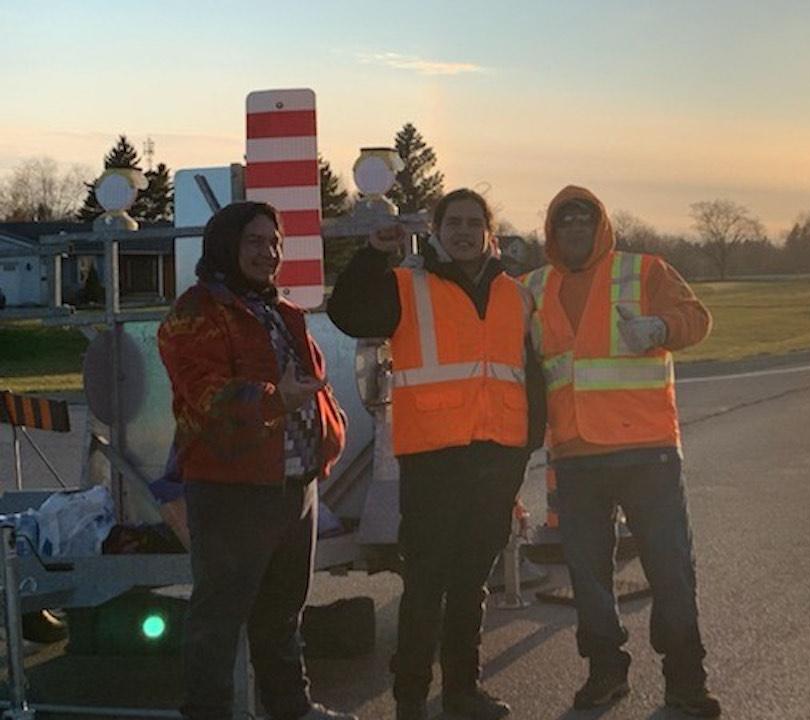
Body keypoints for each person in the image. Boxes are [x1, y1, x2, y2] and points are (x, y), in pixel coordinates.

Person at [327, 189, 544, 720]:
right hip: (433, 461)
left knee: (471, 584)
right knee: (425, 583)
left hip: (497, 459)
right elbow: (348, 313)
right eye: (454, 223)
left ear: (489, 233)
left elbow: (530, 374)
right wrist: (373, 255)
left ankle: (463, 692)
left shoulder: (516, 296)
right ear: (437, 231)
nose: (464, 232)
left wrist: (527, 442)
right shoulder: (407, 285)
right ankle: (410, 697)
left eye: (474, 223)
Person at [523, 185, 720, 717]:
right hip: (576, 455)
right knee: (588, 577)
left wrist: (661, 327)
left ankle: (686, 679)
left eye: (584, 220)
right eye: (565, 221)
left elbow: (697, 318)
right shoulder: (532, 288)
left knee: (670, 569)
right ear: (551, 232)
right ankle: (606, 671)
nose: (575, 229)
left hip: (647, 452)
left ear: (601, 226)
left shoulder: (645, 270)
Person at [157, 202, 353, 720]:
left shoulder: (282, 311)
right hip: (231, 487)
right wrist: (274, 401)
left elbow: (309, 386)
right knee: (218, 617)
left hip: (295, 484)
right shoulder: (195, 312)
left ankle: (292, 708)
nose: (269, 253)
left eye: (274, 242)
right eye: (254, 241)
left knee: (283, 611)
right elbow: (203, 392)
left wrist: (328, 431)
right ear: (225, 245)